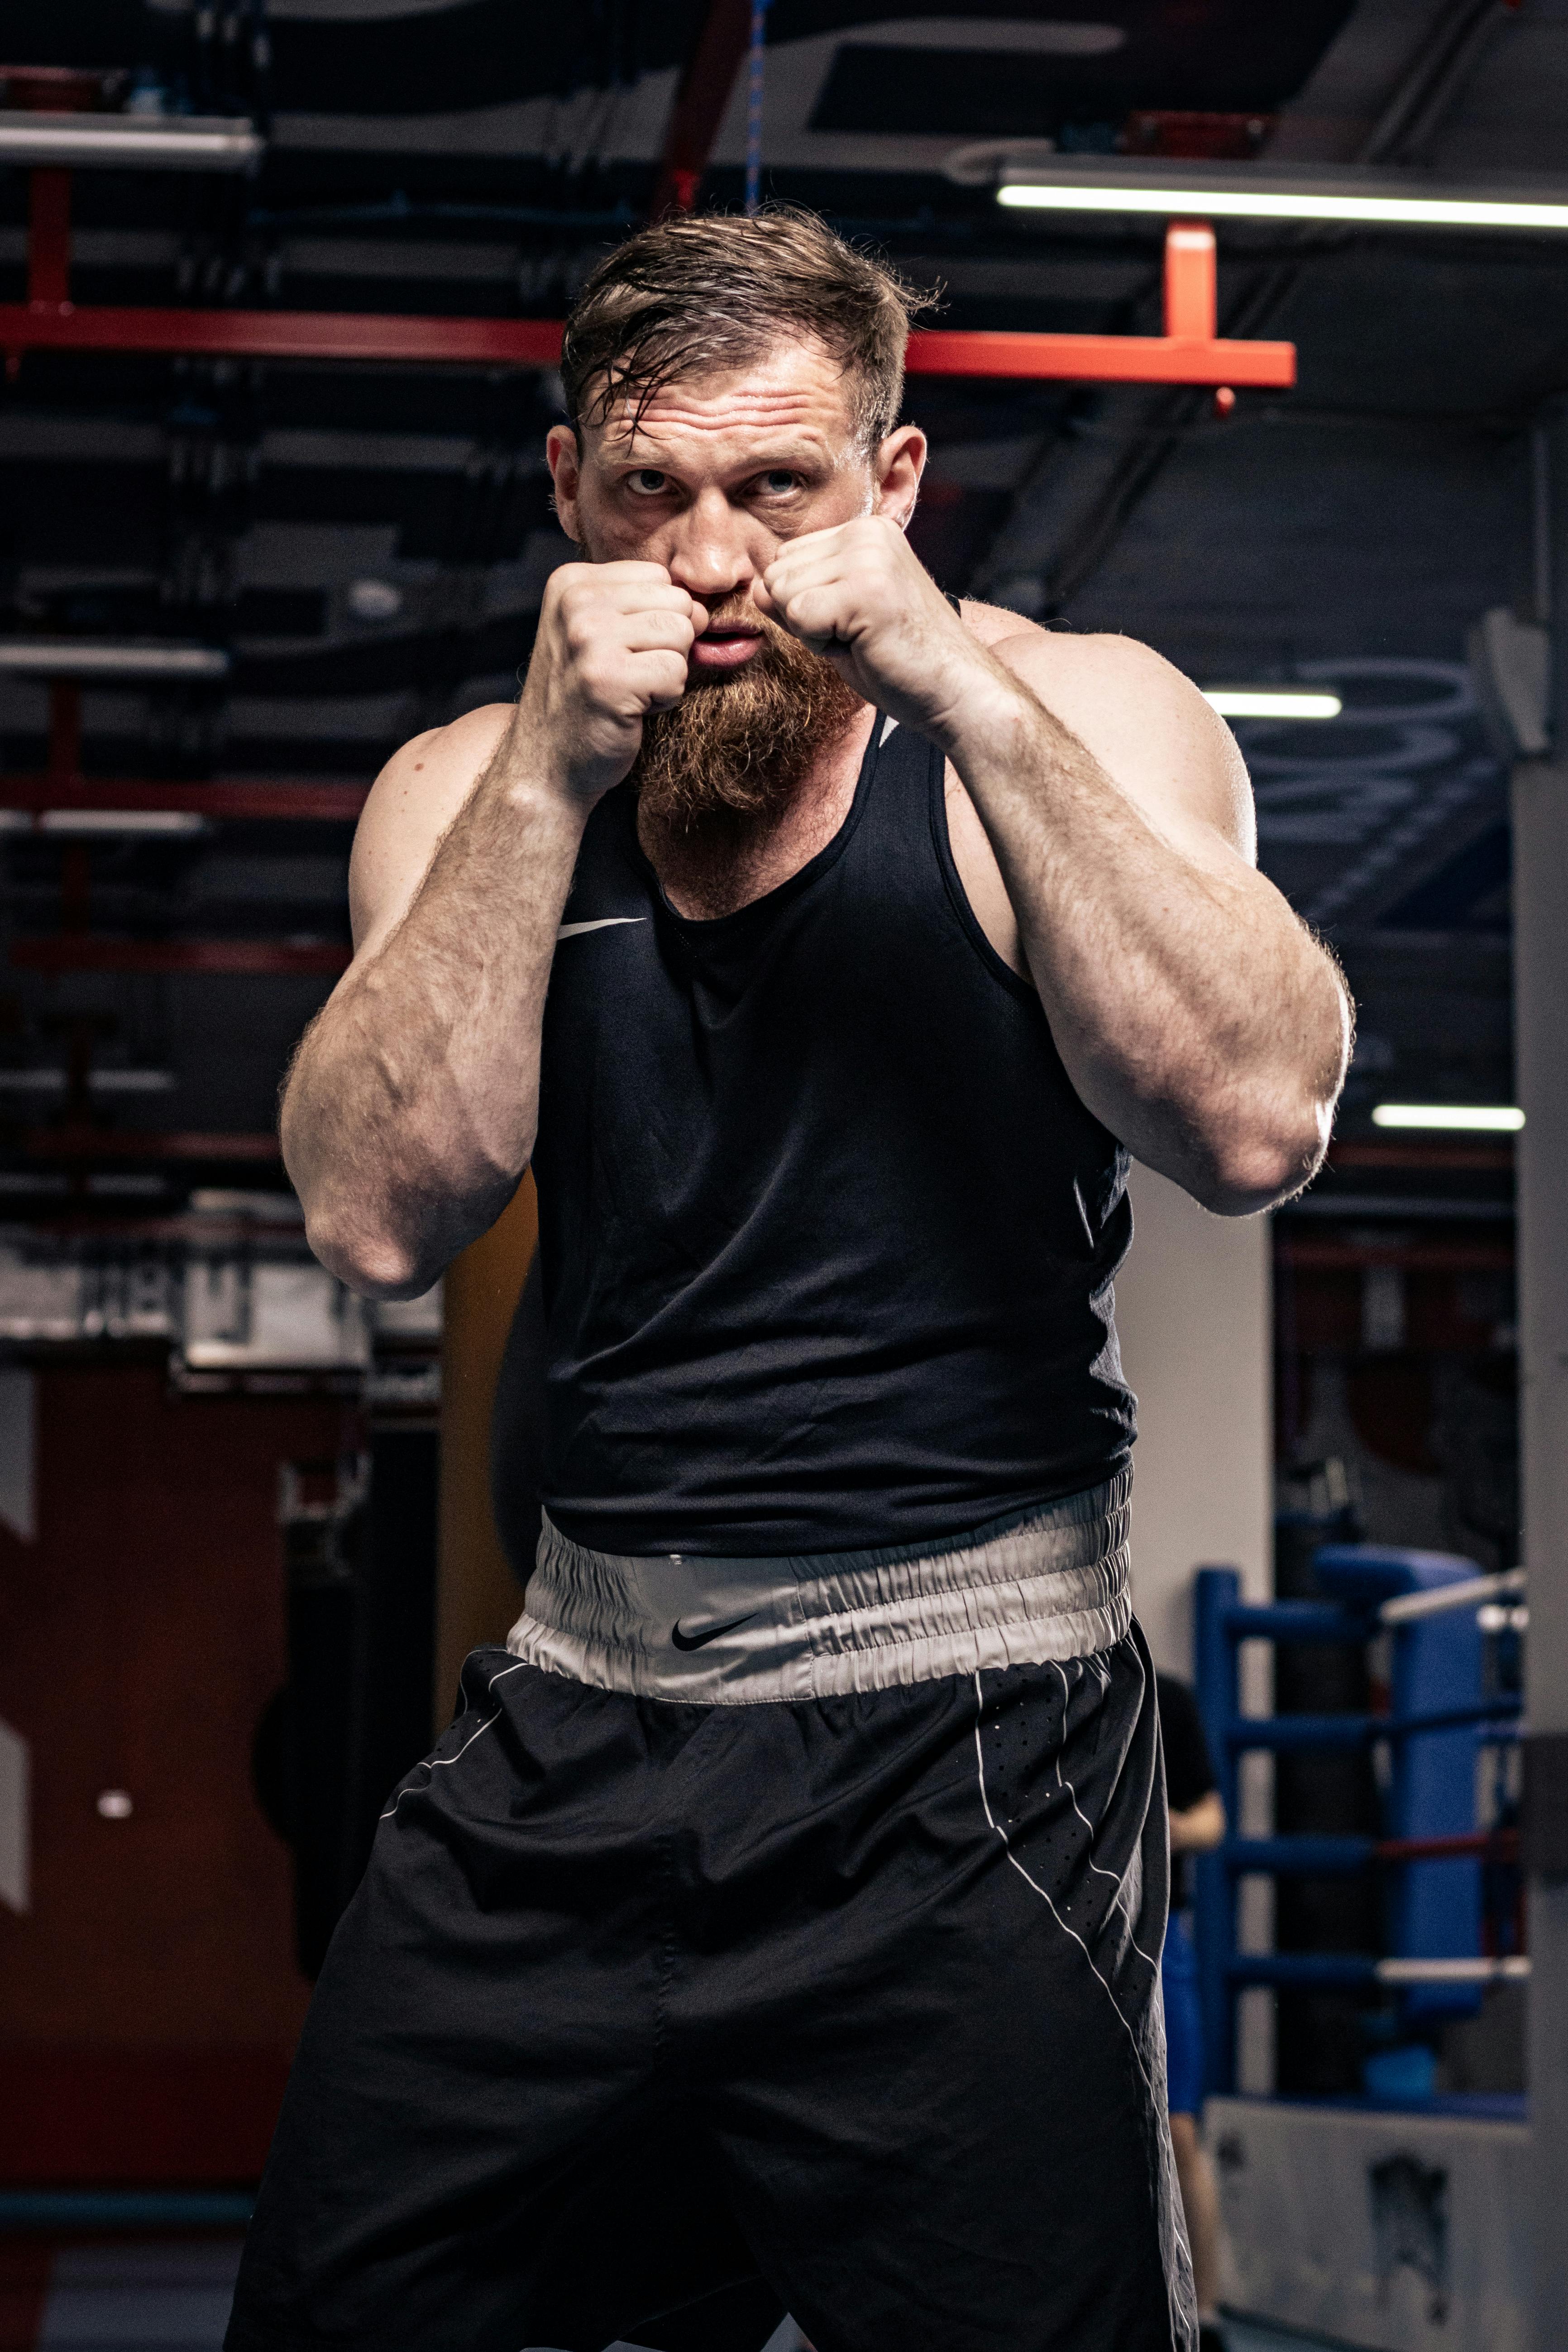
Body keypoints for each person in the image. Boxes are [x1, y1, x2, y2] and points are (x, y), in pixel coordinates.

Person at [227, 206, 1349, 2352]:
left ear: (893, 486)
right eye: (651, 495)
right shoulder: (472, 792)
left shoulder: (1074, 718)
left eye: (779, 490)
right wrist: (547, 778)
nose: (716, 557)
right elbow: (378, 1214)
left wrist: (949, 676)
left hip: (966, 1757)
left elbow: (1255, 1123)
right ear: (567, 494)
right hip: (578, 1738)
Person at [1156, 1673, 1229, 2352]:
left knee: (1180, 2130)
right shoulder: (1044, 1691)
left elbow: (1214, 1819)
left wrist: (1163, 1828)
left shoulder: (1165, 1697)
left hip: (1158, 1934)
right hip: (1066, 1937)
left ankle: (1205, 2314)